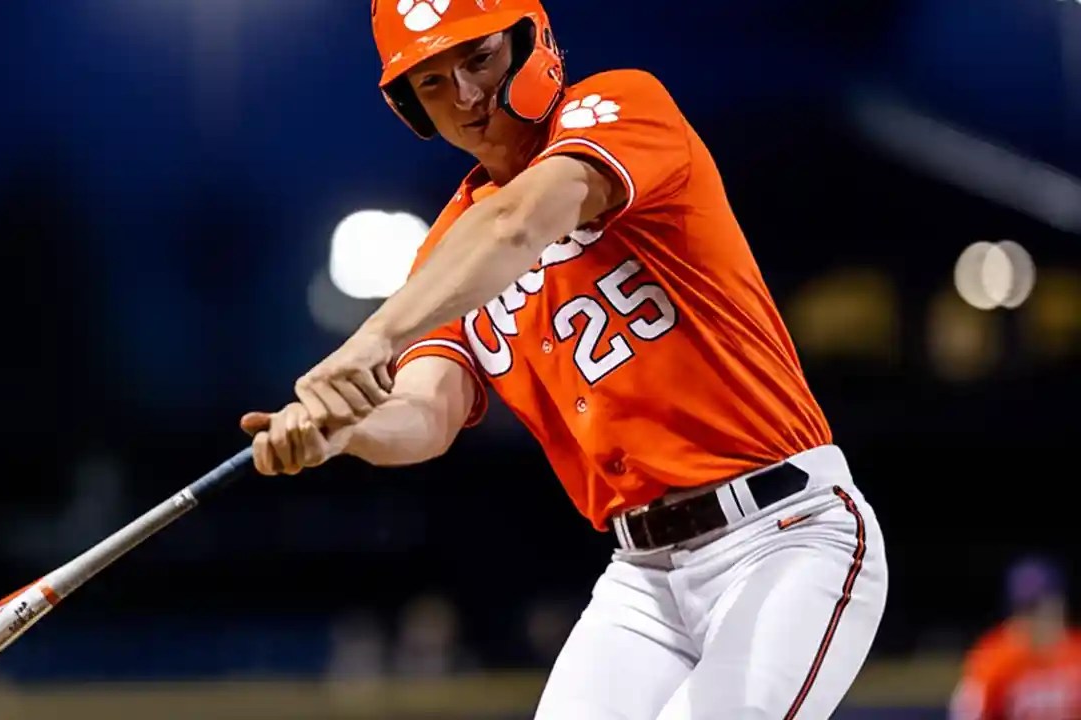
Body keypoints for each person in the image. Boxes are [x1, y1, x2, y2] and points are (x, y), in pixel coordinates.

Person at [240, 1, 889, 717]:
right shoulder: (447, 259)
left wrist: (374, 337)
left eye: (478, 58)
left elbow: (518, 223)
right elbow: (426, 413)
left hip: (785, 530)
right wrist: (344, 431)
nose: (465, 95)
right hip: (643, 573)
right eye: (431, 82)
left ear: (531, 40)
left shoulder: (621, 106)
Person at [949, 555, 1081, 720]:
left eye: (1046, 608)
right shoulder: (992, 660)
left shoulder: (1077, 652)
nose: (1040, 618)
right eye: (1029, 610)